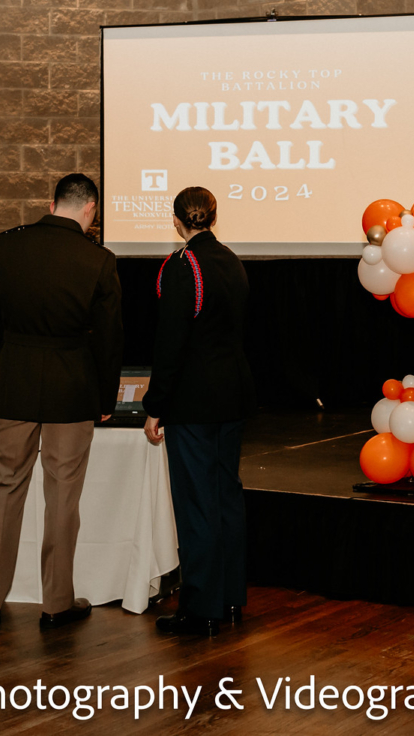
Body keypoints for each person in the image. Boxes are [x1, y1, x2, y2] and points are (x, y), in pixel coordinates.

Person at [0, 173, 123, 630]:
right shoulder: (98, 259)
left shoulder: (5, 245)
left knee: (3, 490)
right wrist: (106, 396)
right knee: (62, 496)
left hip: (13, 383)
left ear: (51, 203)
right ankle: (56, 605)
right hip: (72, 388)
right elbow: (110, 338)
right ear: (90, 209)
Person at [144, 186, 255, 637]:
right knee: (226, 496)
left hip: (194, 401)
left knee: (196, 503)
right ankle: (230, 597)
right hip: (233, 395)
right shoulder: (231, 260)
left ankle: (201, 607)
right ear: (213, 216)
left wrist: (155, 406)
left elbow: (171, 343)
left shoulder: (181, 265)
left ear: (176, 220)